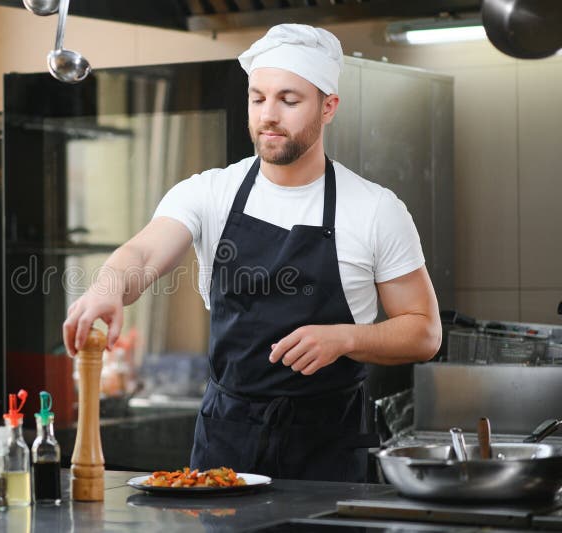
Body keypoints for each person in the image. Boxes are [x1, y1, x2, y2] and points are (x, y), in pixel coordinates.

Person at [63, 23, 442, 482]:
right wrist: (106, 288)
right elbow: (142, 253)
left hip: (329, 451)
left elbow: (424, 332)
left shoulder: (374, 209)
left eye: (289, 100)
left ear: (328, 107)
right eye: (258, 98)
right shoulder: (210, 192)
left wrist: (346, 339)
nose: (269, 115)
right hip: (226, 448)